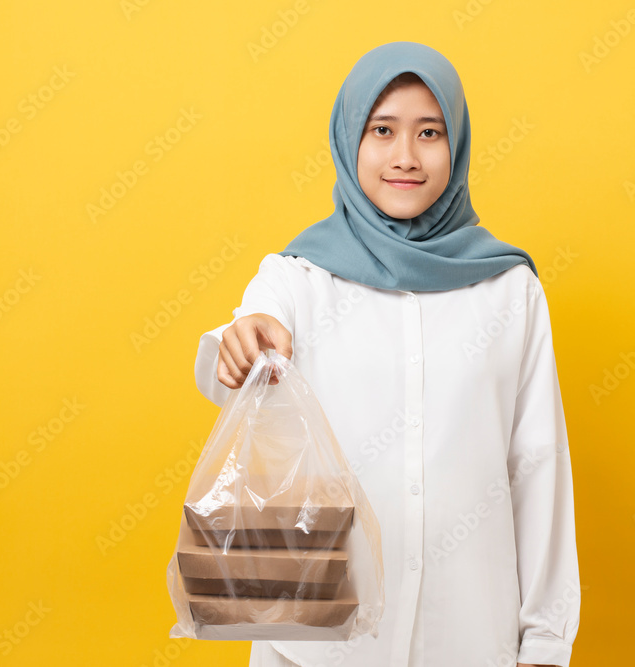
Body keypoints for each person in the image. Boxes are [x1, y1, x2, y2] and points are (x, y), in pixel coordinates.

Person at [194, 41, 579, 667]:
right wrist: (241, 345)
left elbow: (537, 468)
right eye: (382, 130)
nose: (405, 156)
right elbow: (242, 347)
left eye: (429, 132)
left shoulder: (511, 290)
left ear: (457, 145)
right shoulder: (297, 278)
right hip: (317, 646)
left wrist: (545, 641)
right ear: (352, 141)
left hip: (469, 638)